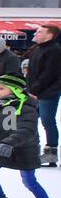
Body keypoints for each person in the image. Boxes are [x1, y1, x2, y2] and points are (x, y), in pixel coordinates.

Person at [0, 72, 59, 198]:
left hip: (23, 149)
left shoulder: (26, 107)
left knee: (29, 181)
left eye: (1, 89)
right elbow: (3, 122)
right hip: (1, 147)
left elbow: (26, 130)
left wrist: (10, 142)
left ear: (14, 90)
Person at [25, 23, 60, 167]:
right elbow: (32, 72)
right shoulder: (37, 49)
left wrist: (35, 90)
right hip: (35, 91)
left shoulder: (54, 50)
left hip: (47, 92)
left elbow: (49, 74)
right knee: (31, 120)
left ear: (49, 35)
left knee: (47, 121)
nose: (36, 34)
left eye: (40, 32)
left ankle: (51, 152)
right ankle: (33, 148)